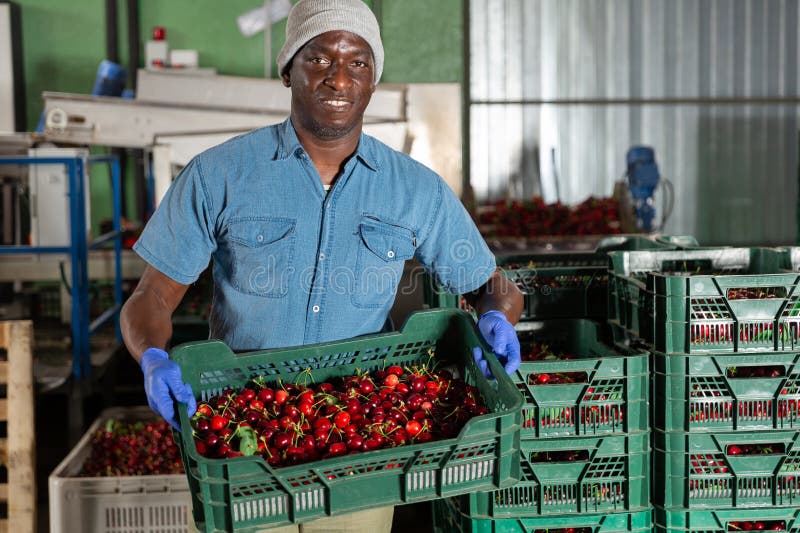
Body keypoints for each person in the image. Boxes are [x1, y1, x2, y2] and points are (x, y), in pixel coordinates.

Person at [120, 0, 522, 531]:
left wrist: (497, 316)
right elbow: (151, 298)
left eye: (358, 62)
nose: (339, 78)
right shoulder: (218, 175)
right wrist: (151, 356)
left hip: (362, 447)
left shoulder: (414, 190)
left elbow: (495, 288)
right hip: (244, 445)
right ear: (288, 68)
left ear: (373, 80)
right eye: (320, 58)